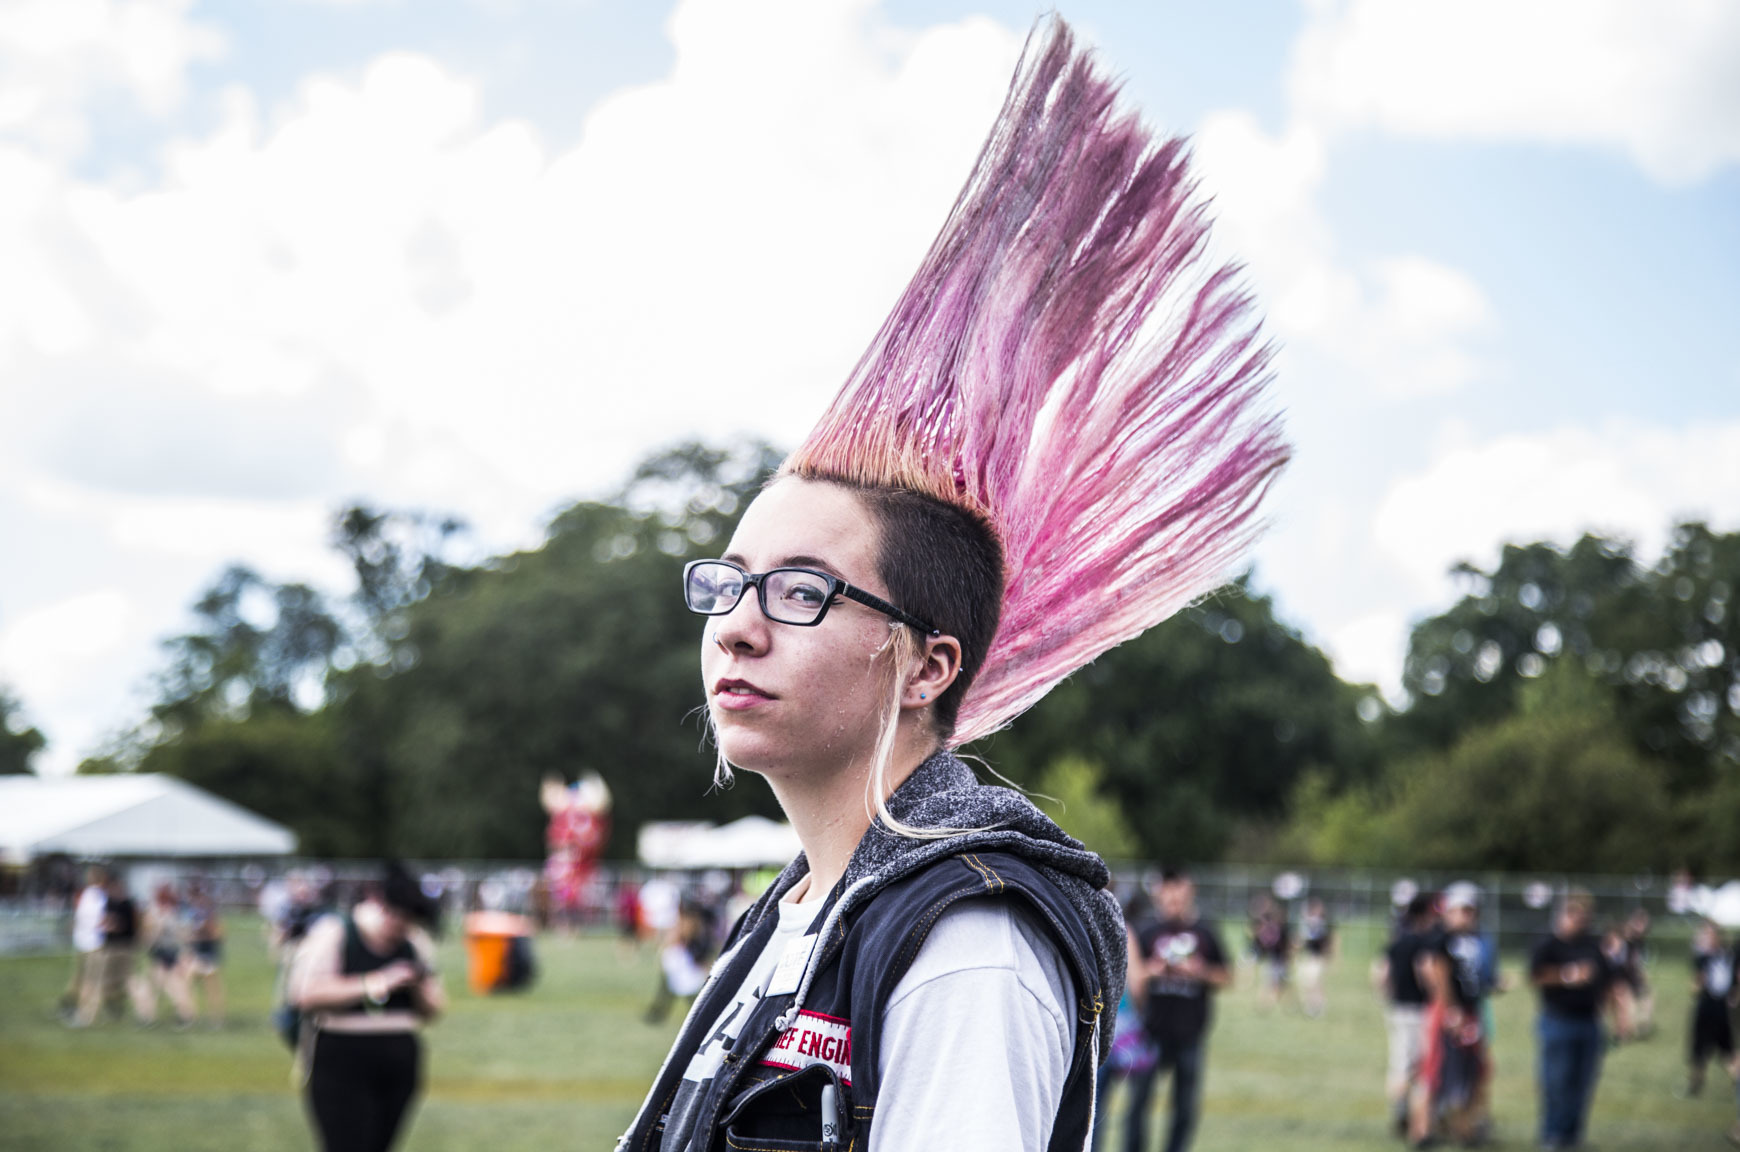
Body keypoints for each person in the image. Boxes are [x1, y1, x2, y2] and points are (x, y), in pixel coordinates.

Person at [614, 16, 1286, 1151]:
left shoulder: (966, 940)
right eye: (730, 585)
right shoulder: (799, 907)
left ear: (929, 665)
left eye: (801, 593)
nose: (735, 629)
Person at [289, 862, 446, 1152]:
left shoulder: (413, 943)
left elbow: (435, 1008)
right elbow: (304, 993)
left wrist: (416, 984)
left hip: (398, 1061)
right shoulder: (337, 932)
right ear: (379, 904)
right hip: (342, 1057)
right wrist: (377, 982)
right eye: (397, 917)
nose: (401, 927)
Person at [1124, 870, 1230, 1152]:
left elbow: (1226, 976)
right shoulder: (1147, 931)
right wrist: (1154, 970)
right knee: (1138, 1104)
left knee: (1184, 1107)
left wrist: (1200, 971)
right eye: (1167, 899)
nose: (1173, 904)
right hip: (1150, 1031)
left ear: (1188, 894)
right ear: (1159, 897)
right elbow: (1133, 978)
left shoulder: (1205, 931)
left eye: (1178, 898)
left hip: (1190, 1032)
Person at [1530, 889, 1612, 1150]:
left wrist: (1615, 1012)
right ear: (1563, 915)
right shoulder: (1548, 944)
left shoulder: (1592, 945)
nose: (1581, 921)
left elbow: (1608, 979)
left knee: (1582, 1082)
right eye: (1575, 915)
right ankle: (1553, 1134)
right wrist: (1568, 976)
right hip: (1558, 1021)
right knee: (1557, 1081)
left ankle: (1572, 1135)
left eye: (1585, 916)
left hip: (1589, 1022)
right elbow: (1535, 976)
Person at [1420, 883, 1498, 1148]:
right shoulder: (1441, 939)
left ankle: (1464, 1126)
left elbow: (1478, 978)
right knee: (1438, 1070)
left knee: (1473, 1070)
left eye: (1470, 911)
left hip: (1472, 1010)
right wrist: (1450, 1009)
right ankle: (1427, 1128)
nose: (1466, 916)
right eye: (1461, 910)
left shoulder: (1478, 940)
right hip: (1450, 1011)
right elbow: (1436, 974)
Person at [1375, 893, 1441, 1142]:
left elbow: (1381, 975)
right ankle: (1409, 1117)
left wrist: (1388, 996)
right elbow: (1424, 969)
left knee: (1399, 1061)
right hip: (1417, 1010)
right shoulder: (1424, 942)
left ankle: (1401, 1111)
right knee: (1417, 1067)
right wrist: (1438, 994)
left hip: (1396, 1008)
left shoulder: (1397, 941)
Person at [1685, 919, 1734, 1097]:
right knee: (1727, 1052)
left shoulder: (1705, 958)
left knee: (1699, 1050)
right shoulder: (1729, 954)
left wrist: (1695, 986)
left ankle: (1695, 1085)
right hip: (1724, 1007)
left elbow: (1697, 985)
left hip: (1708, 1007)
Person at [136, 882, 195, 1028]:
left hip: (173, 955)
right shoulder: (152, 914)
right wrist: (156, 929)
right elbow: (146, 940)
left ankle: (185, 1016)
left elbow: (185, 937)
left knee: (176, 988)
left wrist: (185, 956)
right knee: (152, 987)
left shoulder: (177, 914)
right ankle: (147, 1016)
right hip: (158, 956)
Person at [60, 865, 108, 1022]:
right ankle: (85, 1013)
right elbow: (102, 920)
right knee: (92, 980)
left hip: (82, 941)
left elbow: (79, 918)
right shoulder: (99, 896)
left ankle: (77, 1009)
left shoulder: (86, 895)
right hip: (94, 942)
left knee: (82, 978)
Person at [183, 875, 226, 1028]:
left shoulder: (210, 912)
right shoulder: (191, 911)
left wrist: (203, 931)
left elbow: (217, 933)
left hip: (208, 954)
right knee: (187, 984)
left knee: (211, 988)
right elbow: (188, 934)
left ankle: (216, 1018)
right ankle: (189, 1015)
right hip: (195, 953)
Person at [1248, 895, 1290, 1011]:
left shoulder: (1282, 928)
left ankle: (1272, 1001)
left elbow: (1286, 944)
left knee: (1279, 982)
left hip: (1280, 957)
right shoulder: (1265, 923)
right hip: (1272, 958)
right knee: (1270, 981)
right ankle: (1266, 1003)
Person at [1298, 896, 1336, 1018]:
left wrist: (1329, 956)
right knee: (1308, 983)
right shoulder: (1309, 923)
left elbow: (1327, 941)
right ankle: (1310, 1005)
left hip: (1318, 957)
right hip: (1309, 957)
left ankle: (1319, 1006)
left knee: (1315, 982)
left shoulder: (1322, 924)